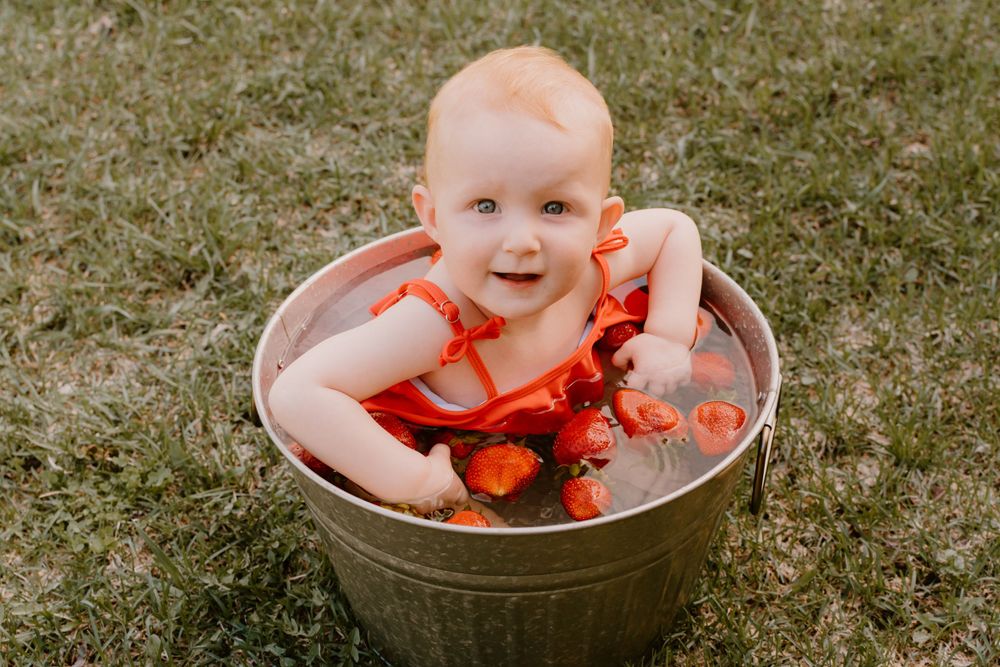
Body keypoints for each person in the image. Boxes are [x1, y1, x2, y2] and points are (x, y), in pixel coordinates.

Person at [268, 46, 702, 514]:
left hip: (560, 430)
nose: (521, 242)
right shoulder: (434, 325)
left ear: (600, 223)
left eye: (554, 208)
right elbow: (298, 393)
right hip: (459, 443)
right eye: (486, 206)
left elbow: (675, 228)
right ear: (433, 217)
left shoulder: (589, 267)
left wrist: (667, 337)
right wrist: (413, 480)